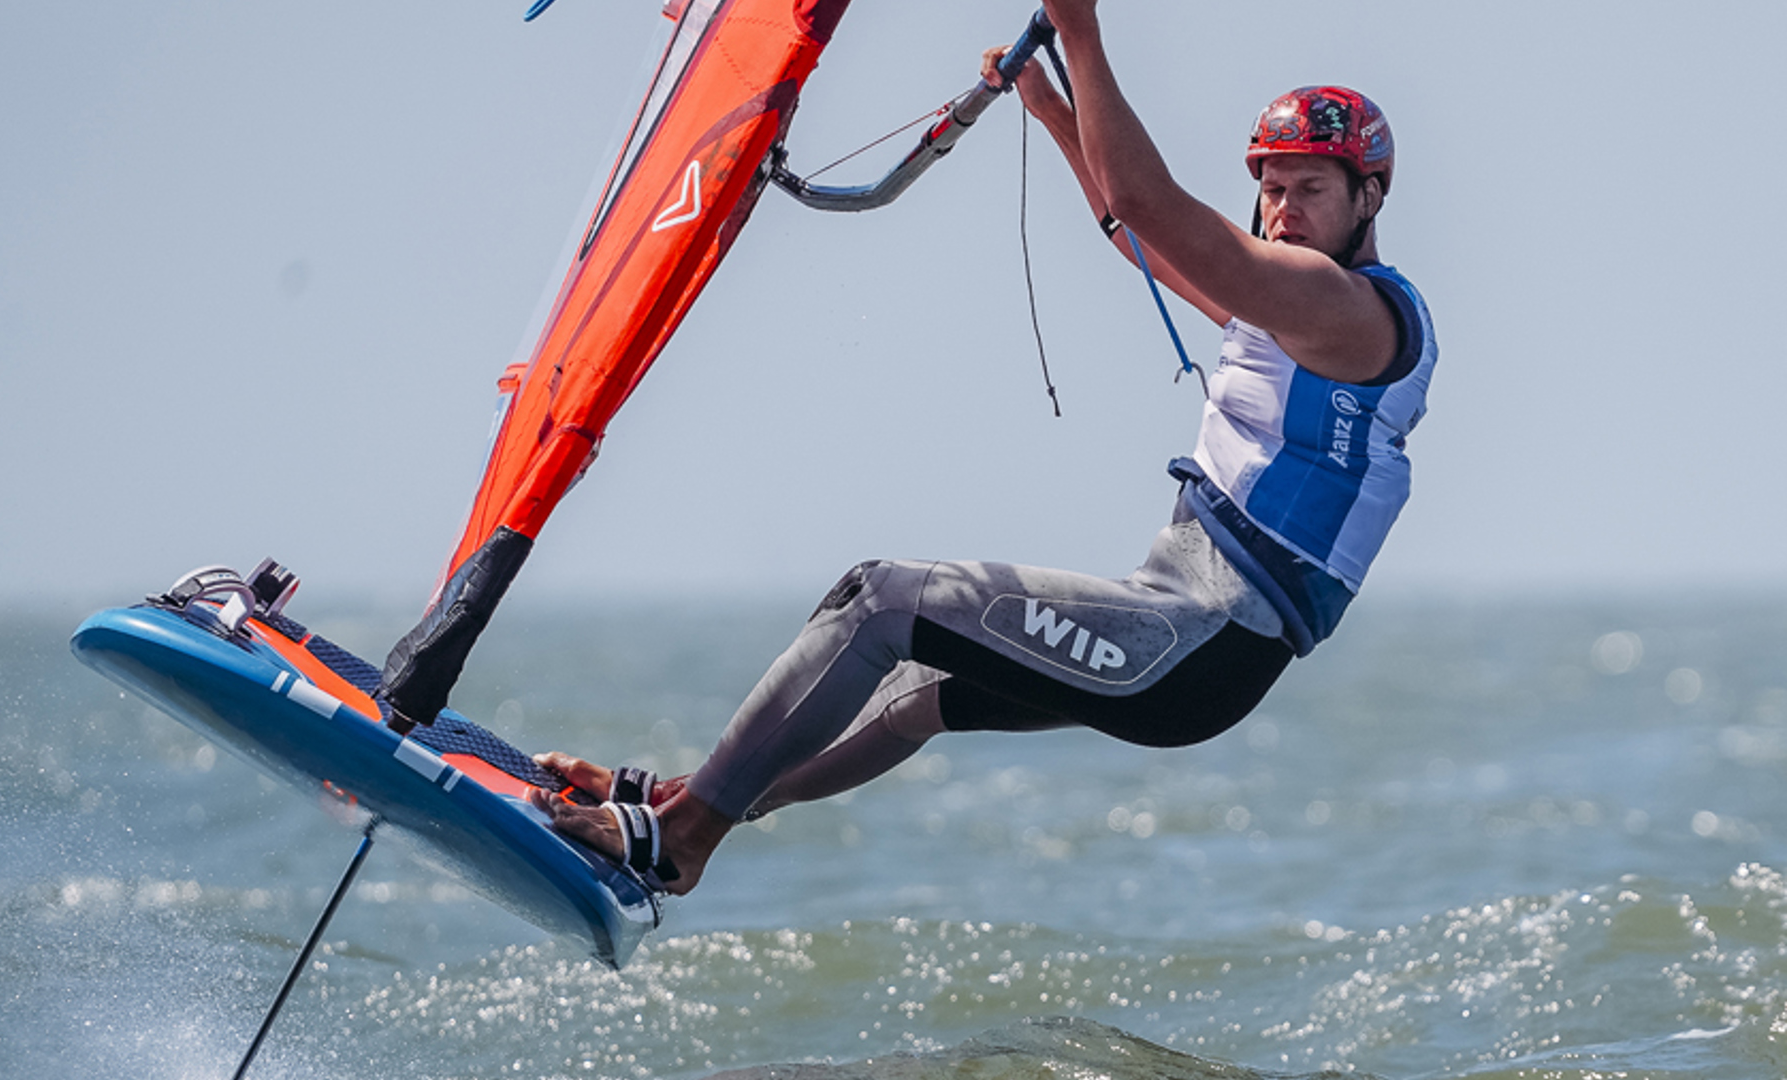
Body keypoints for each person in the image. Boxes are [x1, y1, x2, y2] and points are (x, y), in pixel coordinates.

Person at [531, 0, 1437, 894]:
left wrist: (1080, 33)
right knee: (915, 690)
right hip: (1189, 639)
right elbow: (1140, 237)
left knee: (879, 600)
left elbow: (1149, 205)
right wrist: (1051, 110)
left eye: (1310, 190)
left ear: (1369, 197)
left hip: (1201, 640)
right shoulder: (1288, 312)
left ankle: (681, 837)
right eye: (1272, 189)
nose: (1282, 211)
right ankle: (688, 803)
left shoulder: (1350, 312)